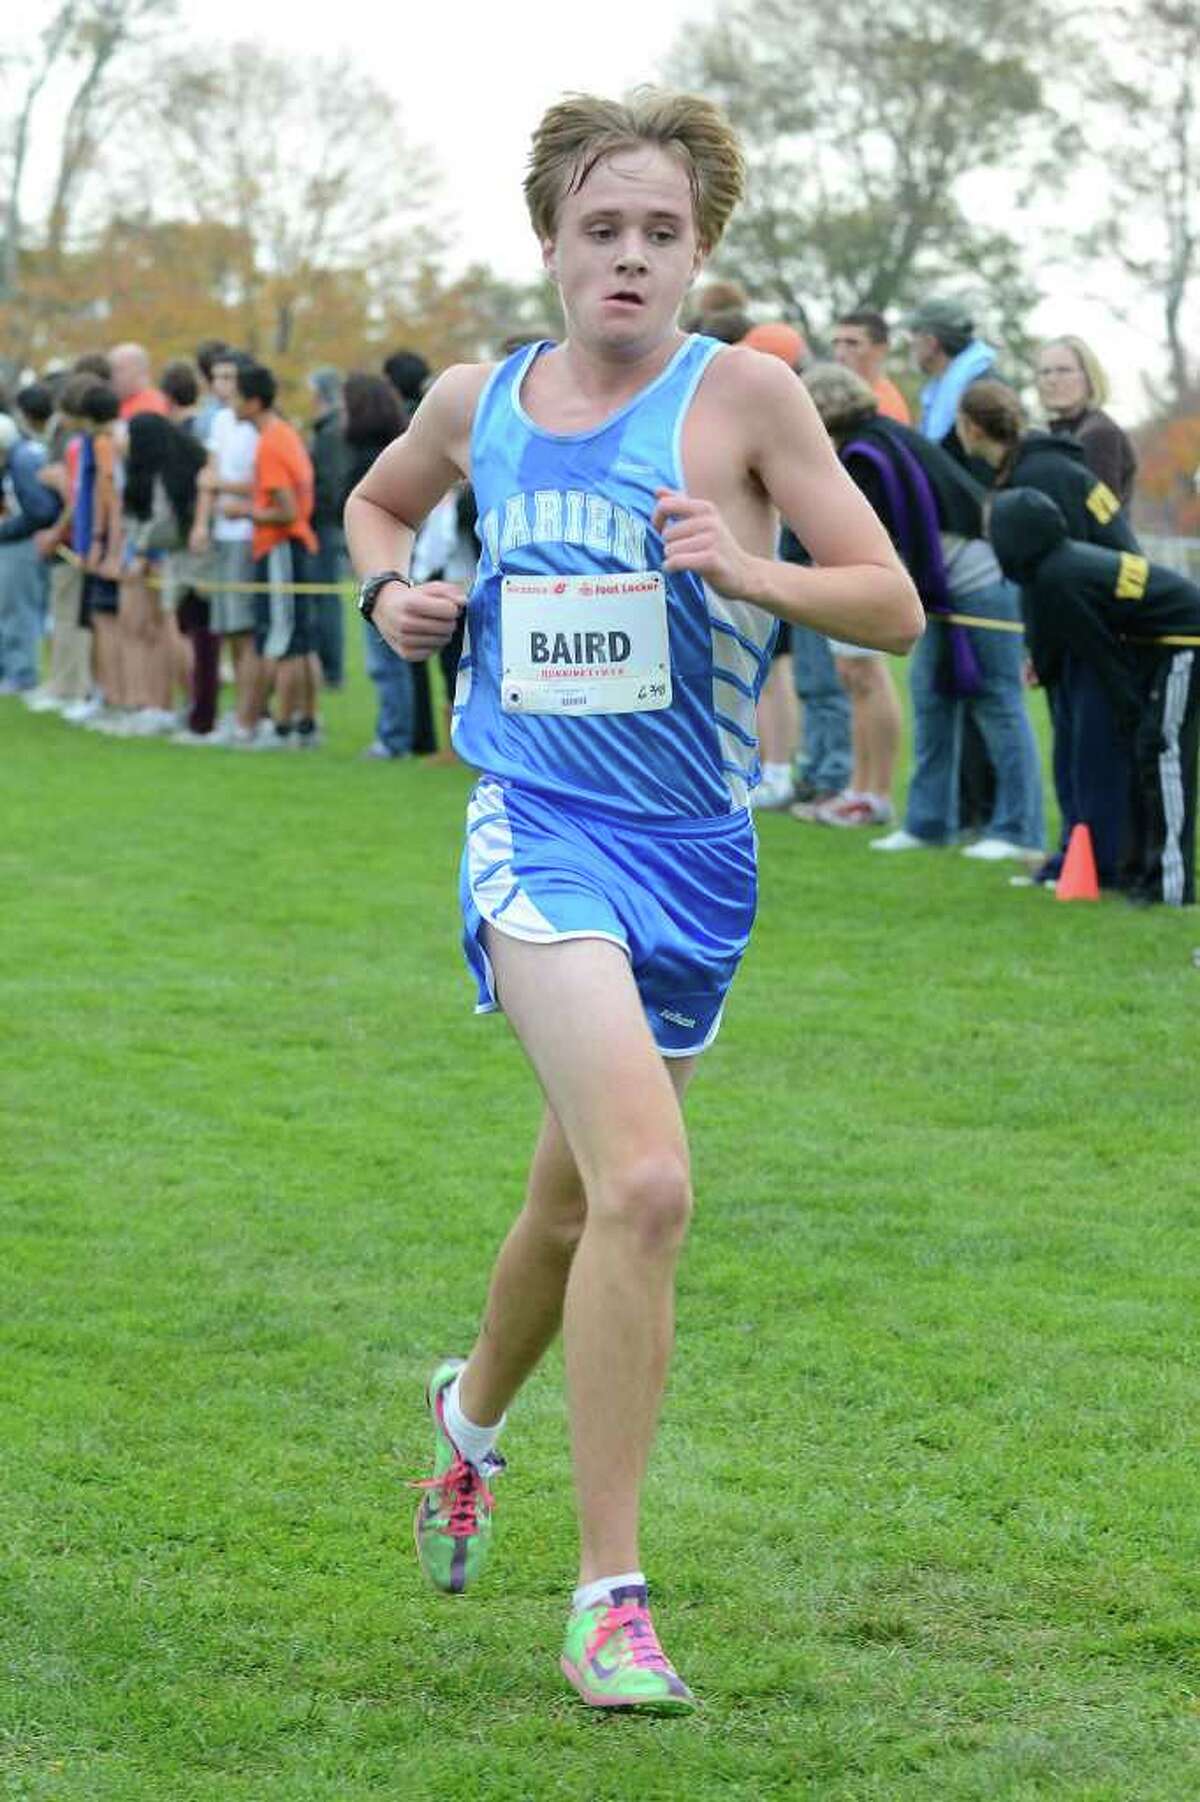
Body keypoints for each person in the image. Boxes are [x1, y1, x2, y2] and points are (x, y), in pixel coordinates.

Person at [345, 89, 921, 1715]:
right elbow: (380, 503)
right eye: (602, 229)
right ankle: (609, 1595)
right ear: (551, 241)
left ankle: (465, 1422)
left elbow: (888, 603)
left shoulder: (746, 396)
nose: (630, 256)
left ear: (699, 251)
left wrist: (749, 571)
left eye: (662, 232)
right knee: (652, 1189)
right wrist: (396, 590)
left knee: (575, 1208)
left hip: (697, 853)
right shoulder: (482, 398)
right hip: (539, 828)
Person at [800, 362, 1042, 860]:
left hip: (977, 588)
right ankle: (930, 823)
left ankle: (1020, 830)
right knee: (931, 702)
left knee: (998, 705)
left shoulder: (867, 454)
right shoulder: (878, 441)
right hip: (937, 592)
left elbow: (875, 544)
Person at [957, 378, 1141, 887]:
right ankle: (1072, 858)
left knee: (1091, 754)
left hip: (1101, 631)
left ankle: (1097, 866)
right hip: (1080, 630)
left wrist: (1045, 646)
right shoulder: (1034, 467)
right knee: (1073, 750)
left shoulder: (1041, 474)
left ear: (971, 427)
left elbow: (1058, 575)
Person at [989, 488, 1199, 905]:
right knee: (1149, 755)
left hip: (1187, 642)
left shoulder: (1060, 575)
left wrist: (1130, 713)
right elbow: (1062, 637)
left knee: (1163, 753)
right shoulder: (1057, 569)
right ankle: (1146, 870)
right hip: (1164, 648)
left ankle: (1172, 886)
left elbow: (1099, 651)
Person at [230, 361, 320, 746]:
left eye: (235, 395)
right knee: (299, 641)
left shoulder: (270, 442)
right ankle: (305, 722)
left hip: (281, 547)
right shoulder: (285, 433)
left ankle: (282, 727)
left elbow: (286, 510)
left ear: (252, 401)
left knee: (282, 642)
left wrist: (244, 511)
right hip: (294, 547)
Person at [191, 351, 264, 745]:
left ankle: (248, 719)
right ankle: (239, 716)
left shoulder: (255, 426)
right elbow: (209, 475)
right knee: (228, 630)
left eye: (229, 377)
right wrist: (202, 523)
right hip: (222, 532)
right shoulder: (219, 420)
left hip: (245, 535)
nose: (221, 385)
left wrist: (219, 488)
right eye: (217, 376)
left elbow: (260, 483)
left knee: (246, 630)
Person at [339, 372, 412, 759]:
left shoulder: (370, 461)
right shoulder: (393, 450)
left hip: (384, 572)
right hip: (390, 567)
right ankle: (402, 734)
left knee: (384, 659)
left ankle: (394, 736)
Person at [0, 386, 61, 696]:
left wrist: (6, 530)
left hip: (21, 546)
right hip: (15, 542)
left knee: (17, 610)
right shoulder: (17, 459)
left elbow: (40, 509)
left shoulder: (22, 461)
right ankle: (9, 670)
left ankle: (22, 673)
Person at [1035, 336, 1137, 505]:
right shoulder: (1057, 434)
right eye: (1045, 372)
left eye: (1064, 370)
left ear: (1089, 378)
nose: (1051, 380)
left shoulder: (1099, 434)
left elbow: (1101, 516)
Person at [308, 366, 349, 690]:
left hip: (324, 524)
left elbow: (331, 483)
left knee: (326, 599)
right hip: (322, 522)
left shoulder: (331, 431)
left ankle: (332, 669)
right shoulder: (327, 428)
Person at [832, 310, 910, 424]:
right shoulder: (845, 397)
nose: (840, 354)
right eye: (836, 343)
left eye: (852, 343)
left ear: (881, 349)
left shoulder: (883, 408)